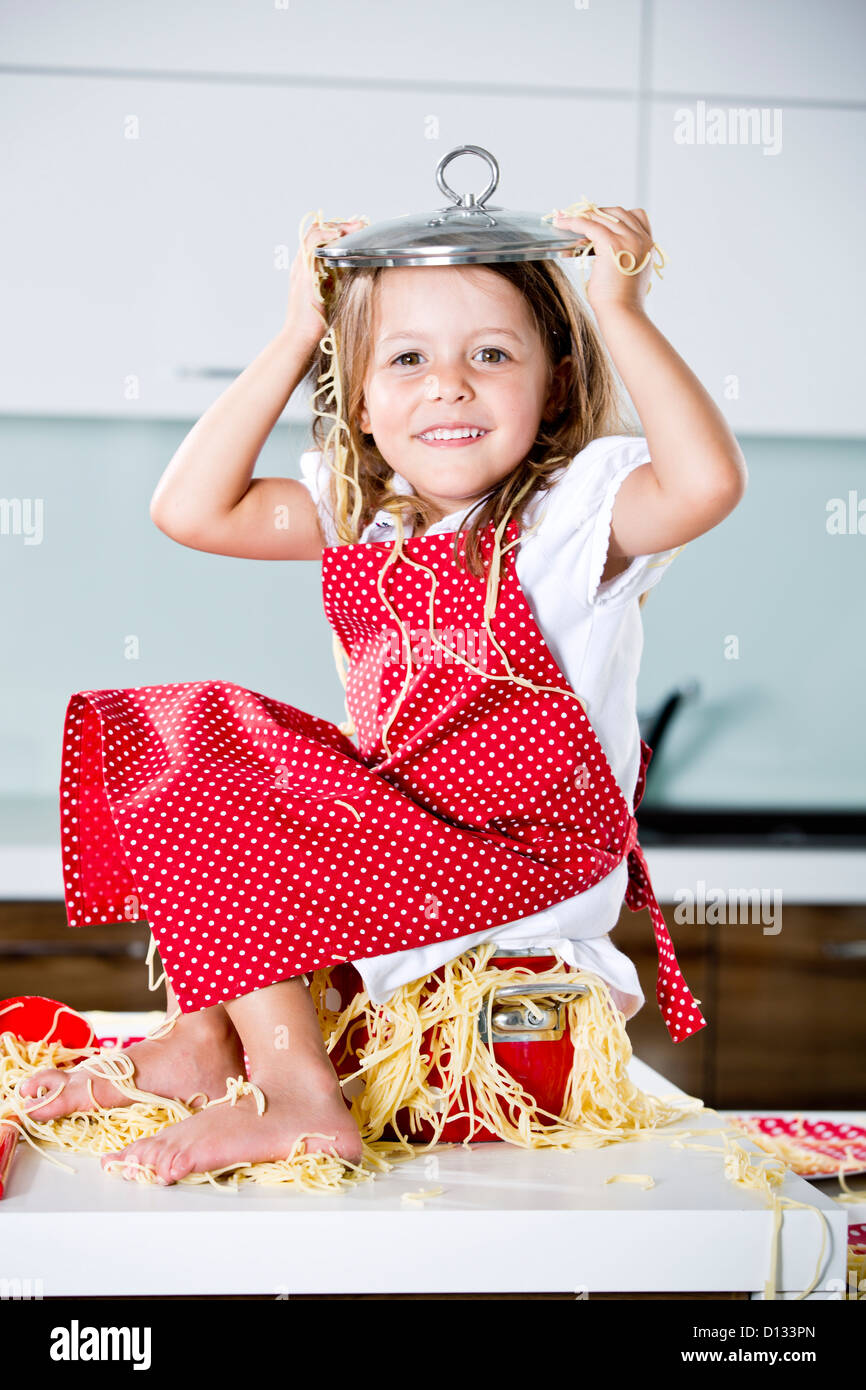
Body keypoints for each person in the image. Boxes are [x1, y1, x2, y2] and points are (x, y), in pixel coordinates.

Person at [21, 204, 747, 1185]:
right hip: (413, 833)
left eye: (491, 354)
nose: (448, 381)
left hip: (526, 853)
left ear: (555, 381)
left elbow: (705, 481)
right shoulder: (360, 510)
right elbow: (187, 507)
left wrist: (617, 308)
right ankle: (207, 1039)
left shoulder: (575, 509)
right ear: (357, 399)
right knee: (187, 734)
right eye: (404, 360)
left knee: (228, 772)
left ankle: (298, 1096)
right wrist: (296, 334)